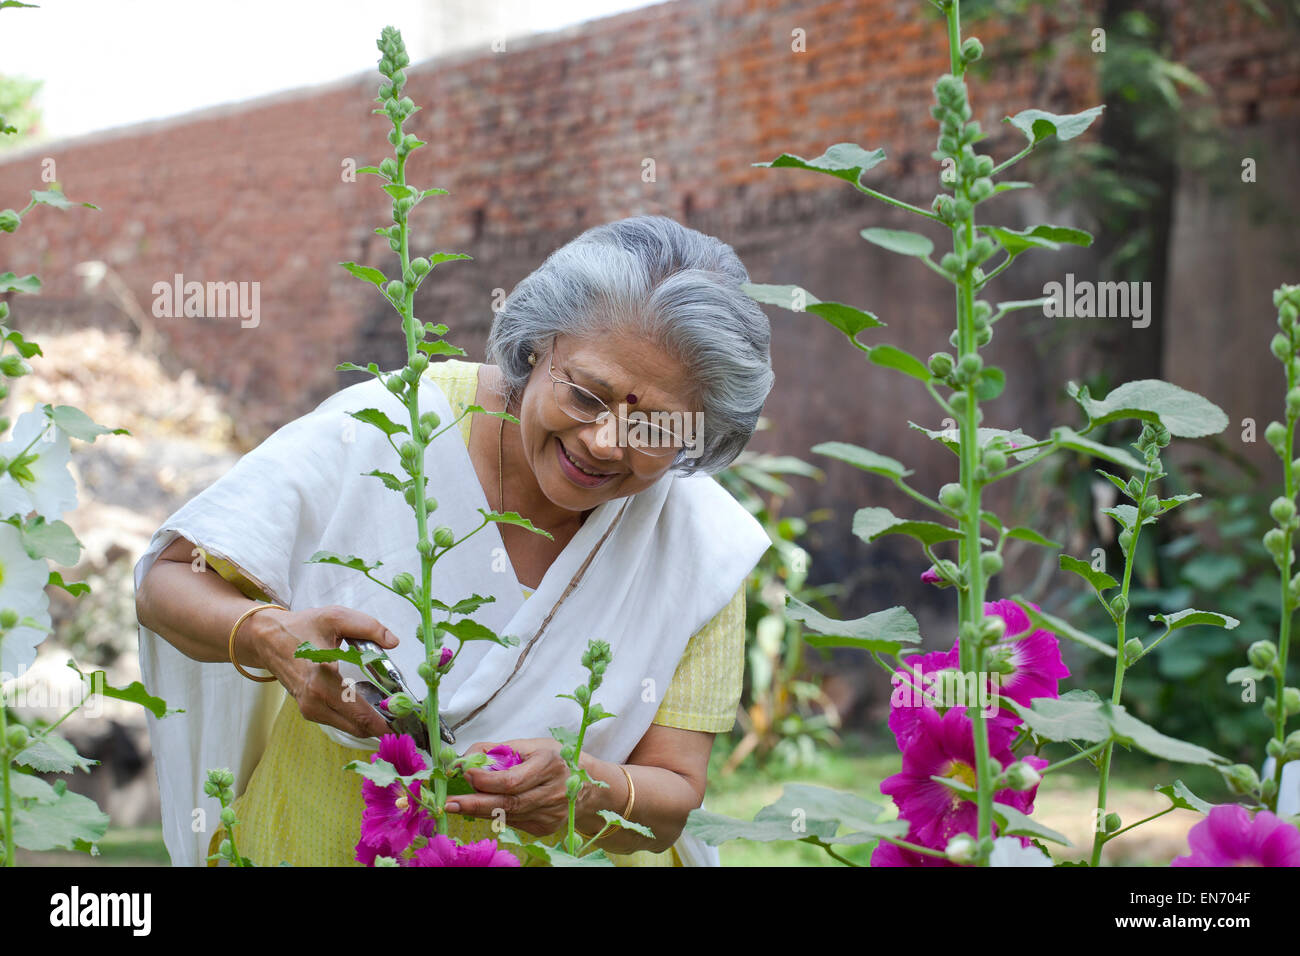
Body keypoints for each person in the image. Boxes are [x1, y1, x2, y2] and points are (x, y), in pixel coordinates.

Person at [134, 215, 775, 866]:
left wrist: (588, 788)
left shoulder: (699, 545)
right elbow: (167, 580)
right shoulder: (397, 429)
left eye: (658, 427)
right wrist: (270, 637)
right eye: (586, 395)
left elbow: (673, 796)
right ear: (536, 346)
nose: (606, 442)